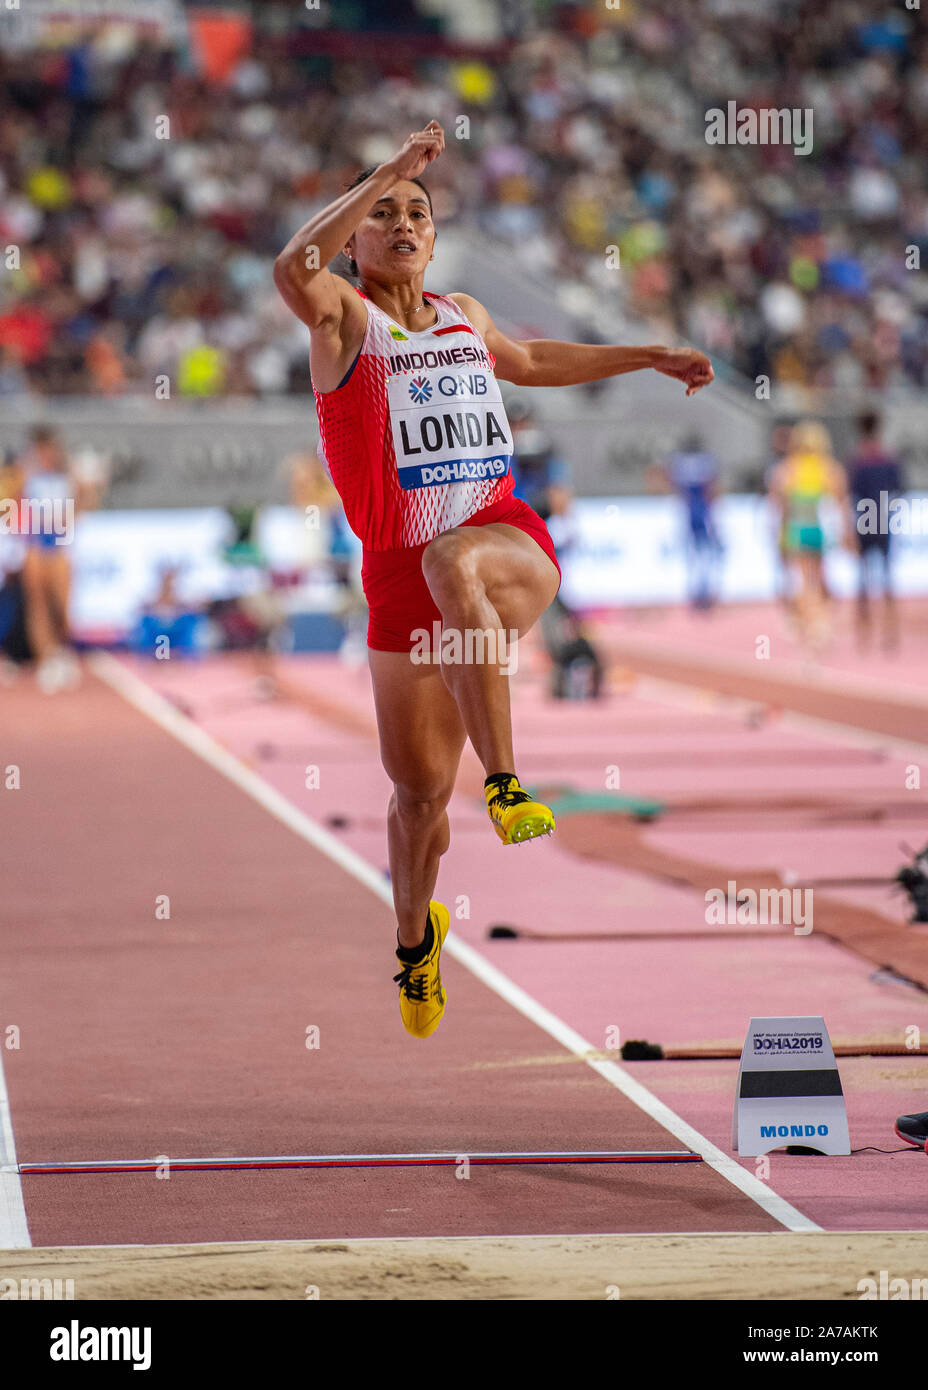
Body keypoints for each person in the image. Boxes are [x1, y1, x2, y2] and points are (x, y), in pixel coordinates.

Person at [273, 120, 713, 1038]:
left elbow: (537, 362)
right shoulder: (343, 319)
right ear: (352, 240)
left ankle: (508, 784)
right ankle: (413, 940)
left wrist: (647, 353)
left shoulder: (466, 311)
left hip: (501, 538)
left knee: (456, 555)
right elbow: (291, 268)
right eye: (384, 211)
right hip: (398, 582)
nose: (403, 222)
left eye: (417, 212)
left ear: (435, 237)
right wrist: (386, 166)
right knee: (418, 799)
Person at [766, 421, 850, 652]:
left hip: (798, 529)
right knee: (820, 578)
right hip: (819, 530)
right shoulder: (830, 469)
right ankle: (820, 624)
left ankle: (811, 624)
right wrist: (844, 533)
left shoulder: (787, 469)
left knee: (804, 581)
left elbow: (780, 506)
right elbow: (841, 502)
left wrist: (780, 536)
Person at [846, 408, 905, 652]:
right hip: (883, 521)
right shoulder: (888, 458)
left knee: (862, 579)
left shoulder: (857, 460)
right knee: (887, 577)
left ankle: (864, 636)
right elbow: (899, 489)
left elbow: (851, 495)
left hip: (864, 522)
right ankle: (891, 632)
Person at [664, 433, 723, 610]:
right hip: (695, 510)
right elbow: (710, 486)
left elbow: (708, 486)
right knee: (697, 552)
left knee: (701, 552)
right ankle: (698, 590)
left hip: (696, 510)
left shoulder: (688, 461)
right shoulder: (699, 461)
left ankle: (702, 590)